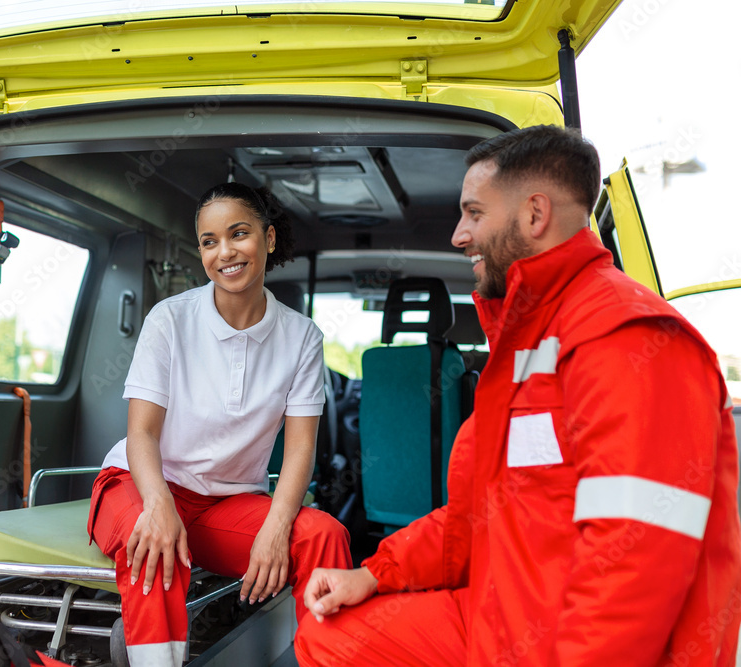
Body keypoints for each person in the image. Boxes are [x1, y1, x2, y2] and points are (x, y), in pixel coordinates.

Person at [295, 125, 741, 666]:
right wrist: (371, 573)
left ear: (534, 214)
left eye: (474, 213)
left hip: (575, 642)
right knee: (328, 636)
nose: (458, 235)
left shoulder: (629, 337)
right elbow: (470, 522)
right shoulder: (525, 348)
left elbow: (635, 567)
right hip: (503, 617)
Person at [88, 182, 353, 665]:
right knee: (156, 544)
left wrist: (276, 527)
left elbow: (299, 450)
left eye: (239, 234)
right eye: (210, 241)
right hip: (141, 483)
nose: (224, 253)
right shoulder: (170, 319)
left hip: (227, 504)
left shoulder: (301, 337)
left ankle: (328, 658)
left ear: (268, 239)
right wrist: (158, 503)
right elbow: (142, 433)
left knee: (324, 535)